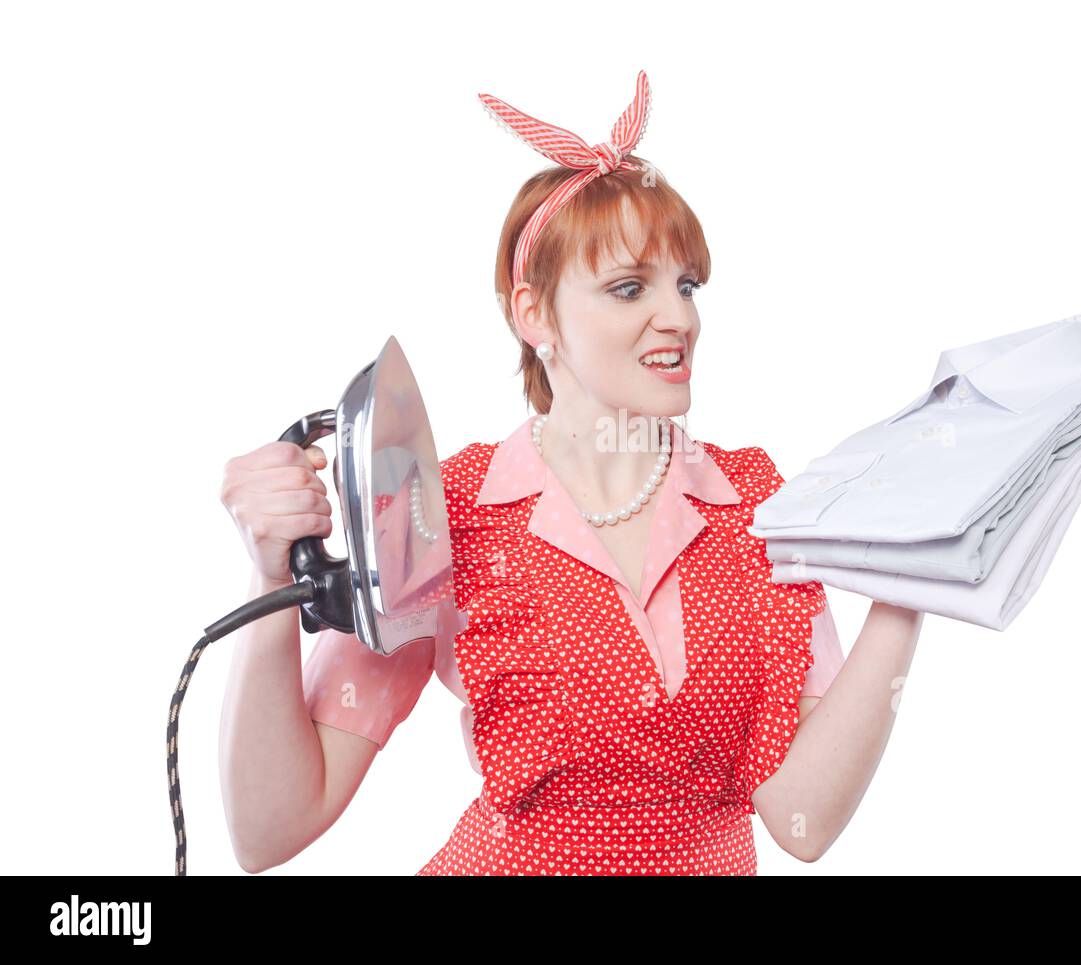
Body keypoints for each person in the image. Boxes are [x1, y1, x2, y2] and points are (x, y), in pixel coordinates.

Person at [216, 71, 925, 875]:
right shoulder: (446, 511)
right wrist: (269, 575)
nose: (681, 316)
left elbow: (803, 820)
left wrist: (916, 580)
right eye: (630, 288)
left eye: (686, 284)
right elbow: (272, 826)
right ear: (533, 313)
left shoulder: (757, 504)